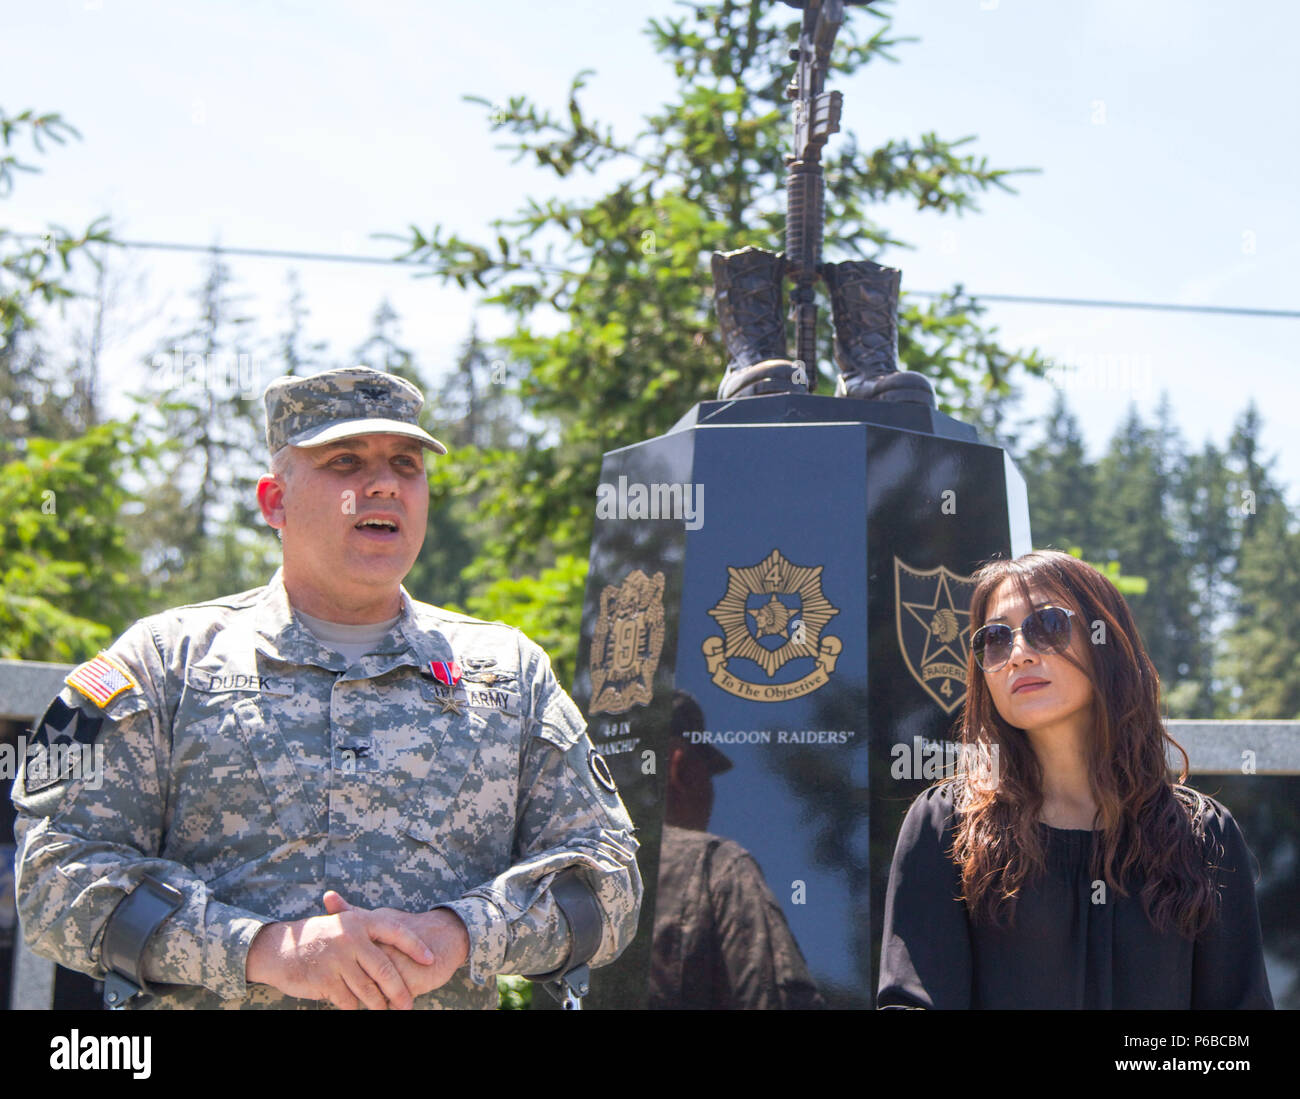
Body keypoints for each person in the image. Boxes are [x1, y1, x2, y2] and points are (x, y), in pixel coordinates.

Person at [11, 365, 642, 1010]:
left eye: (406, 463)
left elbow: (610, 878)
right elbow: (50, 875)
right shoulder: (159, 662)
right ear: (274, 502)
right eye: (345, 461)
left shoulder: (510, 671)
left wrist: (459, 935)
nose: (384, 485)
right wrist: (266, 951)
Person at [877, 550, 1272, 1009]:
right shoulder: (945, 826)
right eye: (996, 639)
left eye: (1047, 627)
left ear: (1106, 643)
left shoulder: (1204, 835)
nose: (1019, 655)